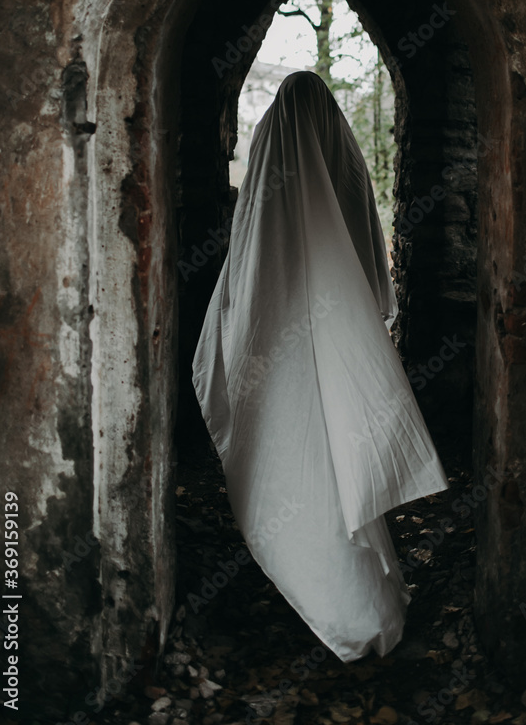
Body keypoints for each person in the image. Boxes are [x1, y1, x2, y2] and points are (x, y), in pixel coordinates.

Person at [192, 70, 448, 661]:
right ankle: (353, 600)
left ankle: (339, 600)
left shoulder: (273, 155)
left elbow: (248, 260)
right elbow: (358, 243)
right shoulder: (338, 154)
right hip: (325, 325)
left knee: (300, 447)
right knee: (333, 455)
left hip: (283, 334)